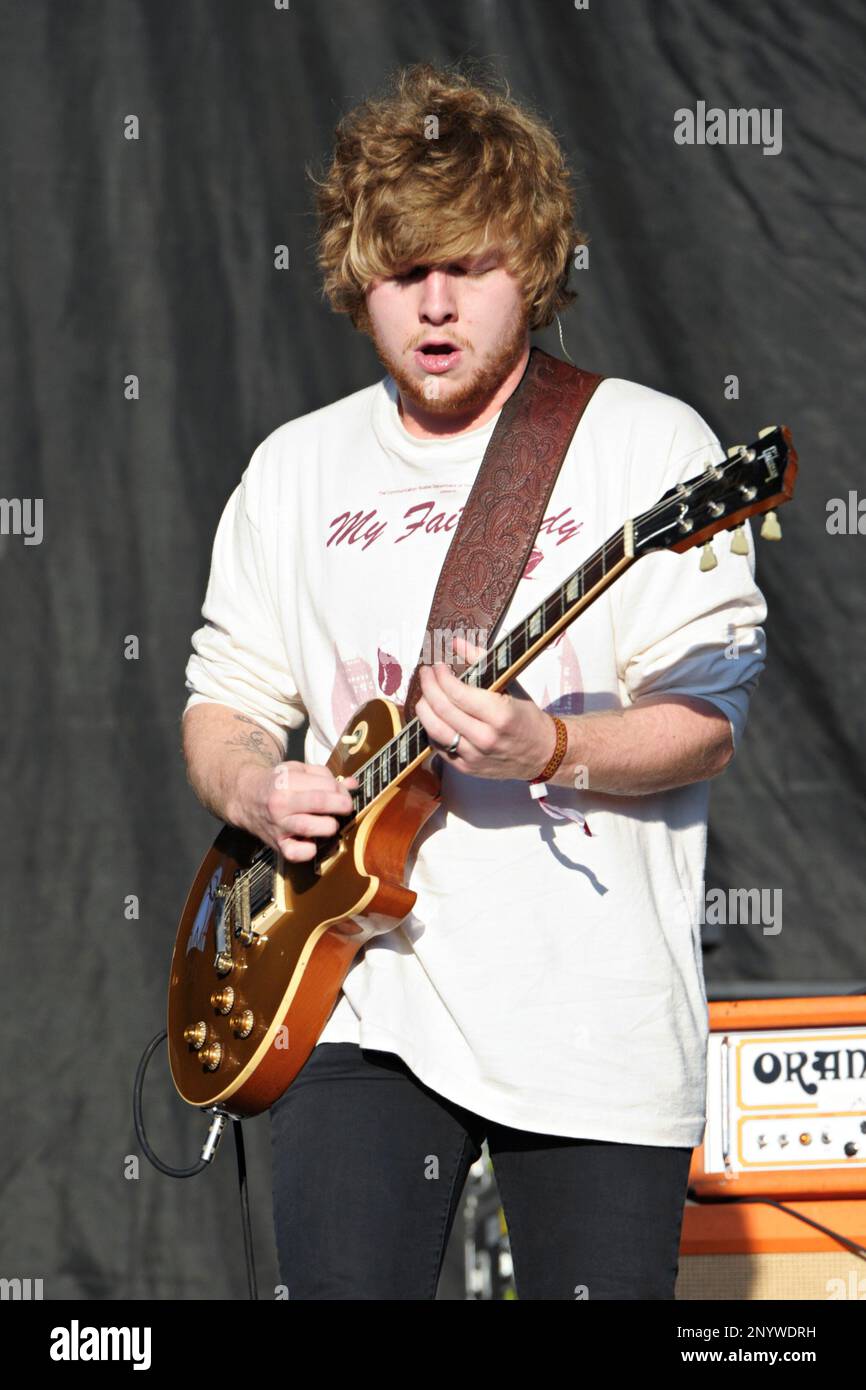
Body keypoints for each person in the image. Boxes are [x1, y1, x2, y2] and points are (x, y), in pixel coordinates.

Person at [181, 62, 766, 1300]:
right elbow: (223, 699)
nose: (434, 306)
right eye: (403, 274)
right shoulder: (292, 469)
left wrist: (549, 750)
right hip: (355, 993)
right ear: (355, 279)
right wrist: (252, 788)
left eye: (470, 267)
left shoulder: (648, 448)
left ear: (535, 267)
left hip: (590, 1016)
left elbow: (705, 723)